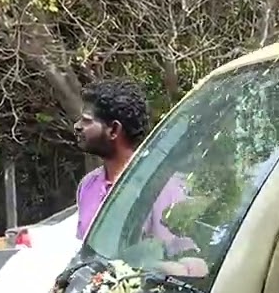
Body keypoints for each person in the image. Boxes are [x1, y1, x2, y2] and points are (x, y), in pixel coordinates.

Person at [73, 79, 192, 256]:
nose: (77, 126)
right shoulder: (88, 185)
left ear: (113, 130)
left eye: (87, 121)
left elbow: (173, 261)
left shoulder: (162, 189)